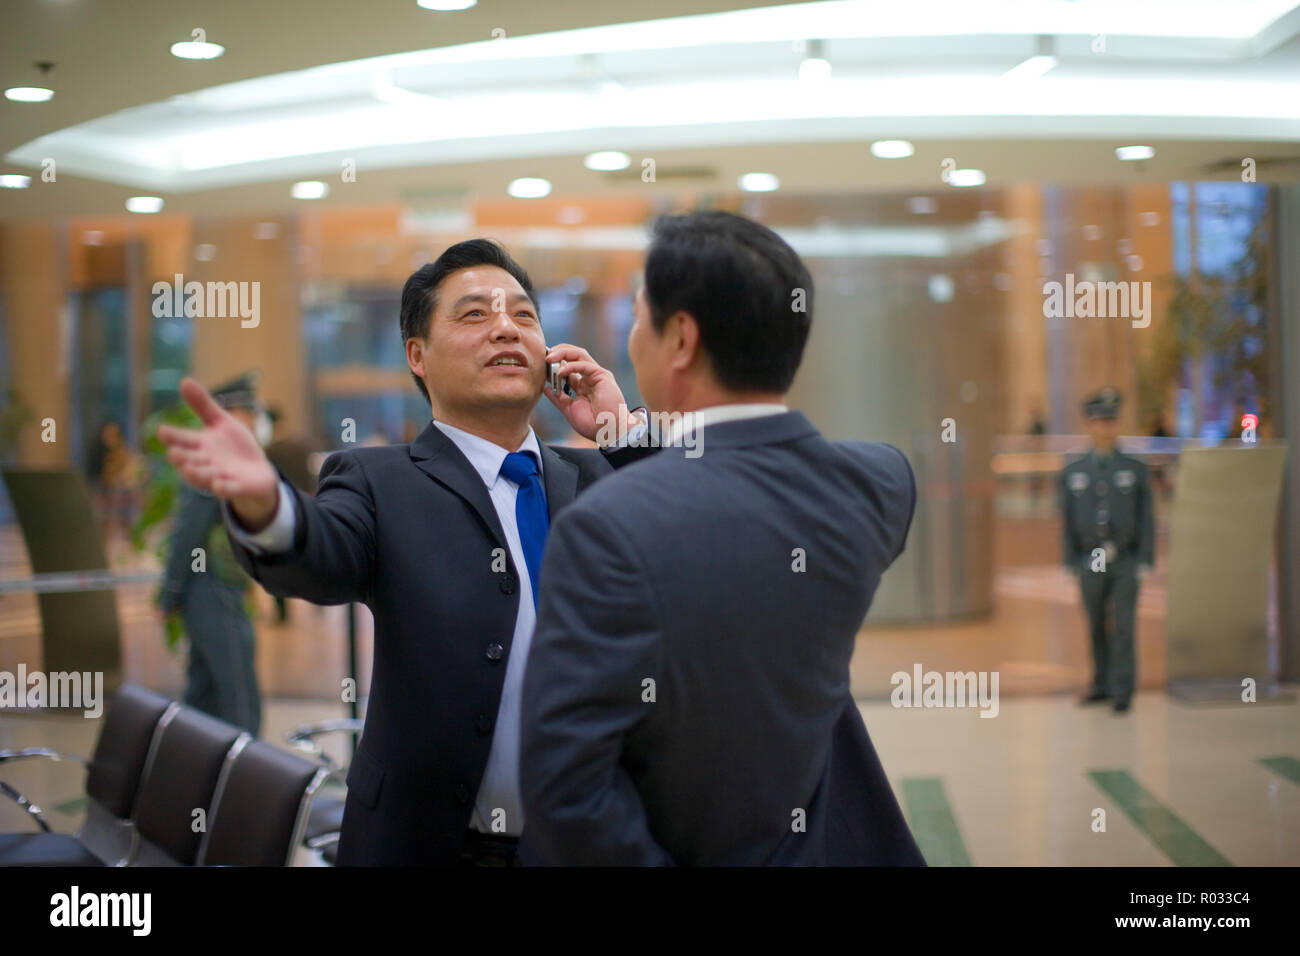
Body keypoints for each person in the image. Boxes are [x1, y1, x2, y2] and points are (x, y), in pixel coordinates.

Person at [158, 239, 647, 866]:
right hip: (431, 847)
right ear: (418, 355)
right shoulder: (378, 480)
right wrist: (268, 504)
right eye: (475, 314)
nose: (506, 328)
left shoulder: (604, 475)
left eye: (524, 315)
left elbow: (709, 540)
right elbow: (321, 551)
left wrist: (622, 429)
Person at [518, 210, 926, 866]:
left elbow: (567, 795)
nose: (633, 341)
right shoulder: (880, 484)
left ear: (681, 339)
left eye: (639, 319)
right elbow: (736, 496)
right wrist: (629, 434)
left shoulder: (603, 529)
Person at [156, 373, 267, 736]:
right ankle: (246, 767)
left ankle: (191, 763)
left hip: (216, 588)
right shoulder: (215, 458)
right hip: (211, 588)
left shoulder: (232, 458)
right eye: (247, 412)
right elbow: (189, 531)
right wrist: (170, 592)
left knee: (203, 693)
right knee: (239, 698)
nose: (254, 420)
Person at [1060, 387, 1155, 715]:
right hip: (1090, 558)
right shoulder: (1074, 470)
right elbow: (1067, 519)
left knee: (1124, 625)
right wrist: (1069, 560)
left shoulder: (1134, 467)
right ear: (1089, 424)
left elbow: (1146, 517)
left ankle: (1122, 689)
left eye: (1111, 420)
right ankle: (1101, 682)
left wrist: (1145, 558)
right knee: (1096, 622)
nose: (1105, 427)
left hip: (1125, 557)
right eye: (1099, 421)